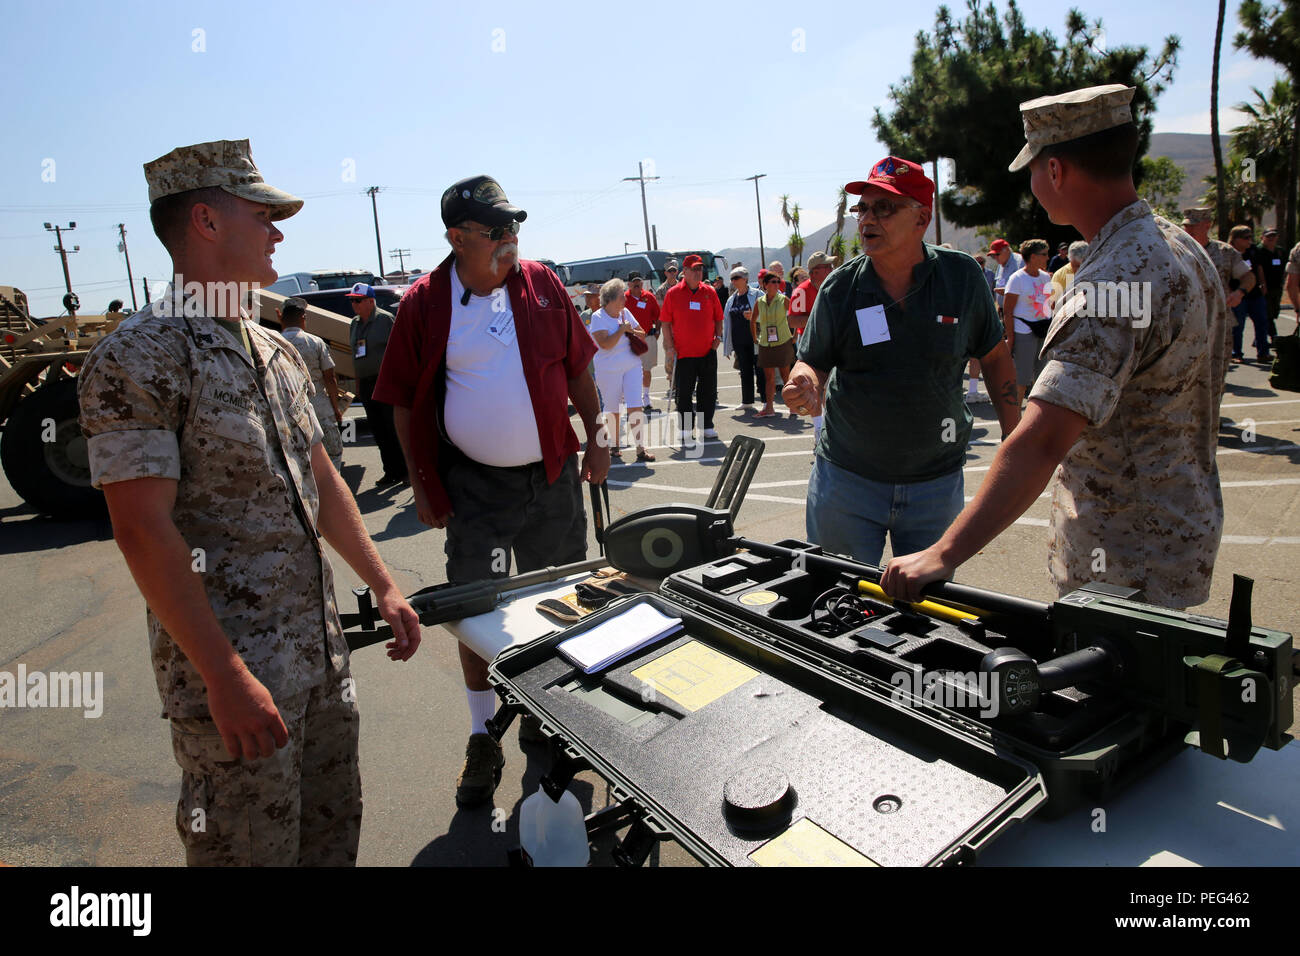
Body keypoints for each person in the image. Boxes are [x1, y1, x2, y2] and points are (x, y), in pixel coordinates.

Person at [77, 138, 420, 866]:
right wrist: (225, 677)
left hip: (321, 663)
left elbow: (321, 476)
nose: (278, 230)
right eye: (261, 214)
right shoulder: (141, 356)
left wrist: (382, 581)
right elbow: (142, 529)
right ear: (205, 221)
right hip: (235, 683)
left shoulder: (279, 350)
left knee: (330, 845)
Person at [882, 84, 1226, 612]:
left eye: (1035, 169)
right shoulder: (1179, 246)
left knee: (1116, 690)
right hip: (1175, 533)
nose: (1033, 184)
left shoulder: (1110, 285)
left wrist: (943, 554)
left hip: (1120, 561)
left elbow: (1041, 442)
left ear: (1057, 171)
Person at [373, 174, 608, 807]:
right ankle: (483, 735)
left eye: (514, 229)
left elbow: (579, 367)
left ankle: (549, 711)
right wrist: (422, 482)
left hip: (553, 476)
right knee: (475, 607)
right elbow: (400, 403)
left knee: (563, 594)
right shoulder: (425, 303)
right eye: (496, 231)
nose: (510, 241)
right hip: (475, 488)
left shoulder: (542, 284)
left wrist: (601, 436)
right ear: (457, 237)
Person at [783, 156, 1020, 565]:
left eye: (884, 207)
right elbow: (813, 361)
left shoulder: (961, 278)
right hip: (847, 480)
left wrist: (1014, 439)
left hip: (937, 482)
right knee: (838, 599)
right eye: (863, 208)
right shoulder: (840, 288)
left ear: (921, 218)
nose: (867, 219)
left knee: (928, 609)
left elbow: (996, 357)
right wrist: (803, 382)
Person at [588, 278, 654, 462]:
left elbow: (642, 331)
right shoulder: (598, 317)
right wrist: (621, 330)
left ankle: (641, 448)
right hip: (608, 369)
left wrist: (631, 330)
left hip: (632, 365)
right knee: (612, 408)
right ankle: (614, 445)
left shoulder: (625, 312)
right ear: (610, 299)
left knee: (636, 405)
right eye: (620, 296)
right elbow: (605, 344)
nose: (624, 299)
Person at [1181, 206, 1249, 384]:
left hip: (1219, 322)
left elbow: (1248, 276)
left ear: (1207, 225)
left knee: (1216, 374)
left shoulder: (1224, 252)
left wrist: (1239, 292)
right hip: (1186, 322)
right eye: (1186, 226)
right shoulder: (1176, 250)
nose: (1187, 230)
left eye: (1193, 226)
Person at [661, 253, 725, 441]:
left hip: (707, 352)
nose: (698, 272)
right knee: (684, 393)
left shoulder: (709, 292)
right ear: (685, 271)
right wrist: (670, 347)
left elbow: (718, 318)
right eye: (694, 269)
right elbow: (665, 322)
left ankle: (706, 426)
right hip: (683, 353)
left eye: (700, 269)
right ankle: (686, 429)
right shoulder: (673, 293)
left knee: (708, 391)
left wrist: (718, 337)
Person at [347, 283, 406, 485]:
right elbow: (356, 355)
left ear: (370, 301)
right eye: (352, 300)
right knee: (378, 430)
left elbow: (399, 351)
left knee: (393, 427)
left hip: (385, 382)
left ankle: (406, 471)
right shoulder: (354, 323)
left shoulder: (384, 320)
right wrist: (357, 383)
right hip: (366, 383)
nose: (353, 304)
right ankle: (391, 471)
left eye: (357, 300)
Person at [280, 296, 345, 471]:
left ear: (280, 317)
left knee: (300, 460)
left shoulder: (272, 342)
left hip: (288, 412)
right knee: (333, 455)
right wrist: (336, 408)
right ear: (303, 318)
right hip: (320, 408)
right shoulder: (315, 342)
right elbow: (329, 378)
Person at [788, 251, 834, 438]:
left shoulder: (837, 285)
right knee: (813, 387)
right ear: (815, 272)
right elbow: (792, 320)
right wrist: (818, 319)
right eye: (827, 267)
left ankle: (831, 428)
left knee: (833, 387)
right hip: (811, 345)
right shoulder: (802, 291)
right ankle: (817, 430)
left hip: (835, 343)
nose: (832, 269)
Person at [1002, 238, 1054, 404]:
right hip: (1023, 330)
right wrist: (1010, 338)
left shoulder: (1046, 277)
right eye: (1044, 254)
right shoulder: (1017, 279)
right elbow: (1008, 311)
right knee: (1022, 379)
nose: (1047, 258)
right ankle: (1015, 420)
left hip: (1043, 329)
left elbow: (1047, 302)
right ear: (1032, 257)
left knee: (1043, 379)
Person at [752, 270, 795, 418]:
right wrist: (755, 338)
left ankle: (792, 406)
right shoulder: (760, 302)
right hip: (765, 344)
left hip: (783, 342)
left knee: (785, 377)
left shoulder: (784, 300)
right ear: (765, 284)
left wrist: (794, 336)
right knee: (769, 378)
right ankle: (769, 408)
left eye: (778, 282)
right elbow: (752, 320)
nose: (777, 284)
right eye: (773, 282)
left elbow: (796, 315)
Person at [722, 265, 763, 410]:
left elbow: (768, 314)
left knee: (760, 370)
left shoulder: (758, 294)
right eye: (732, 278)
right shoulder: (731, 300)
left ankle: (765, 401)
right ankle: (747, 401)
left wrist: (755, 317)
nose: (733, 281)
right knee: (744, 371)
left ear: (745, 279)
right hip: (739, 341)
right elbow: (727, 323)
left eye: (736, 278)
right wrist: (727, 346)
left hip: (756, 340)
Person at [1228, 225, 1270, 364]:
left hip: (1255, 294)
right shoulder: (1227, 252)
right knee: (1238, 325)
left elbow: (1258, 268)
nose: (1249, 241)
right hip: (1237, 295)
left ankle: (1263, 352)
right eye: (1246, 238)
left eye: (1250, 237)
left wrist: (1263, 284)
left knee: (1262, 322)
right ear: (1235, 239)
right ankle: (1236, 353)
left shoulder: (1253, 251)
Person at [625, 272, 660, 412]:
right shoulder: (624, 298)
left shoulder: (649, 297)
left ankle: (646, 398)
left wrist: (657, 331)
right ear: (629, 284)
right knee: (629, 372)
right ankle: (632, 400)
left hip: (647, 339)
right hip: (629, 340)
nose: (637, 284)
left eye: (639, 281)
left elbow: (658, 317)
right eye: (634, 282)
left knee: (646, 370)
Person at [656, 259, 680, 399]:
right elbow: (662, 311)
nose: (672, 273)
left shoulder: (684, 286)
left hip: (682, 329)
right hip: (669, 329)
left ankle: (683, 384)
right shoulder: (661, 290)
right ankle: (672, 385)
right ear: (665, 273)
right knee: (670, 358)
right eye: (670, 271)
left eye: (674, 271)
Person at [1047, 239, 1088, 311]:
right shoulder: (1059, 275)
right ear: (1070, 259)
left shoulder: (1097, 270)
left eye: (1083, 265)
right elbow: (1052, 304)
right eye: (1076, 266)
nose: (1079, 269)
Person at [1259, 227, 1285, 338]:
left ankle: (1259, 337)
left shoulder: (1280, 251)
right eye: (1268, 236)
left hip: (1277, 286)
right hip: (1264, 287)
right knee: (1267, 313)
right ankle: (1273, 335)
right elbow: (1258, 268)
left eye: (1273, 236)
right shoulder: (1259, 251)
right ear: (1262, 237)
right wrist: (1262, 284)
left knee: (1274, 312)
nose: (1271, 238)